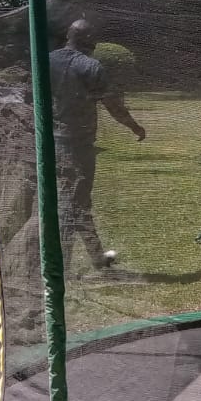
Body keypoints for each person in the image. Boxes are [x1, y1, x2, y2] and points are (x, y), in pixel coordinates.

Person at [50, 19, 145, 269]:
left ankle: (96, 257)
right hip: (78, 145)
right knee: (74, 204)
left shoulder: (47, 60)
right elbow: (113, 105)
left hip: (50, 143)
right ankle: (61, 265)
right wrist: (135, 127)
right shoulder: (91, 66)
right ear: (90, 40)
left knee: (75, 202)